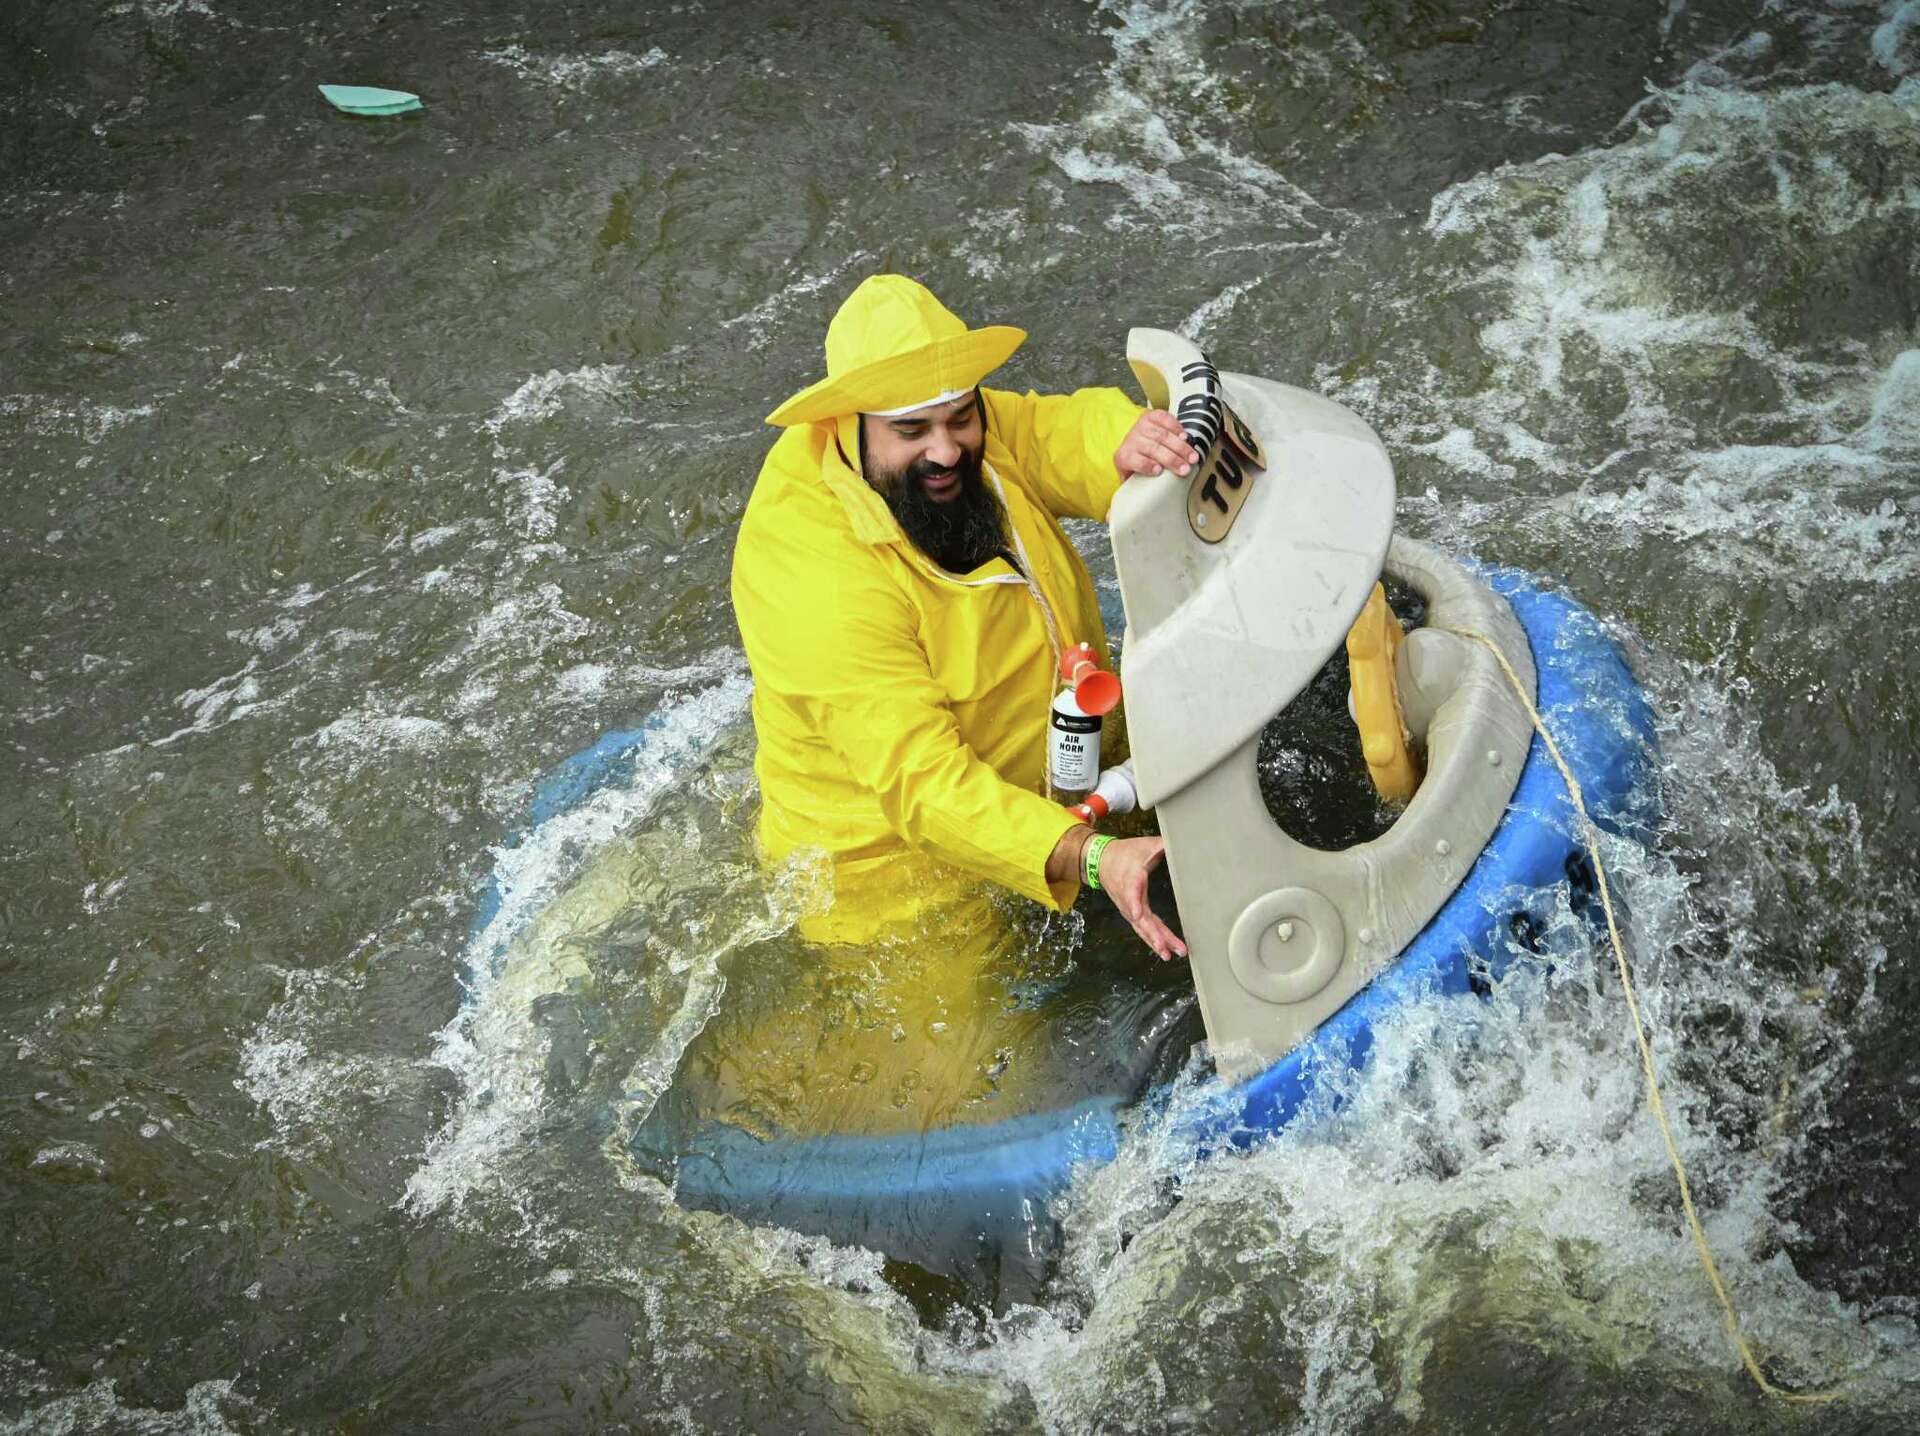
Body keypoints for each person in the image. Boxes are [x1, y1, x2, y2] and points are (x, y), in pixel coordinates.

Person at [711, 275, 1195, 1135]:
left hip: (1066, 778)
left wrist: (1128, 440)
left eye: (959, 418)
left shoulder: (955, 425)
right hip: (906, 888)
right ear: (849, 424)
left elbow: (1042, 430)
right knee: (971, 1098)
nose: (946, 450)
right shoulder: (816, 574)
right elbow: (924, 788)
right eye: (913, 432)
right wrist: (1089, 857)